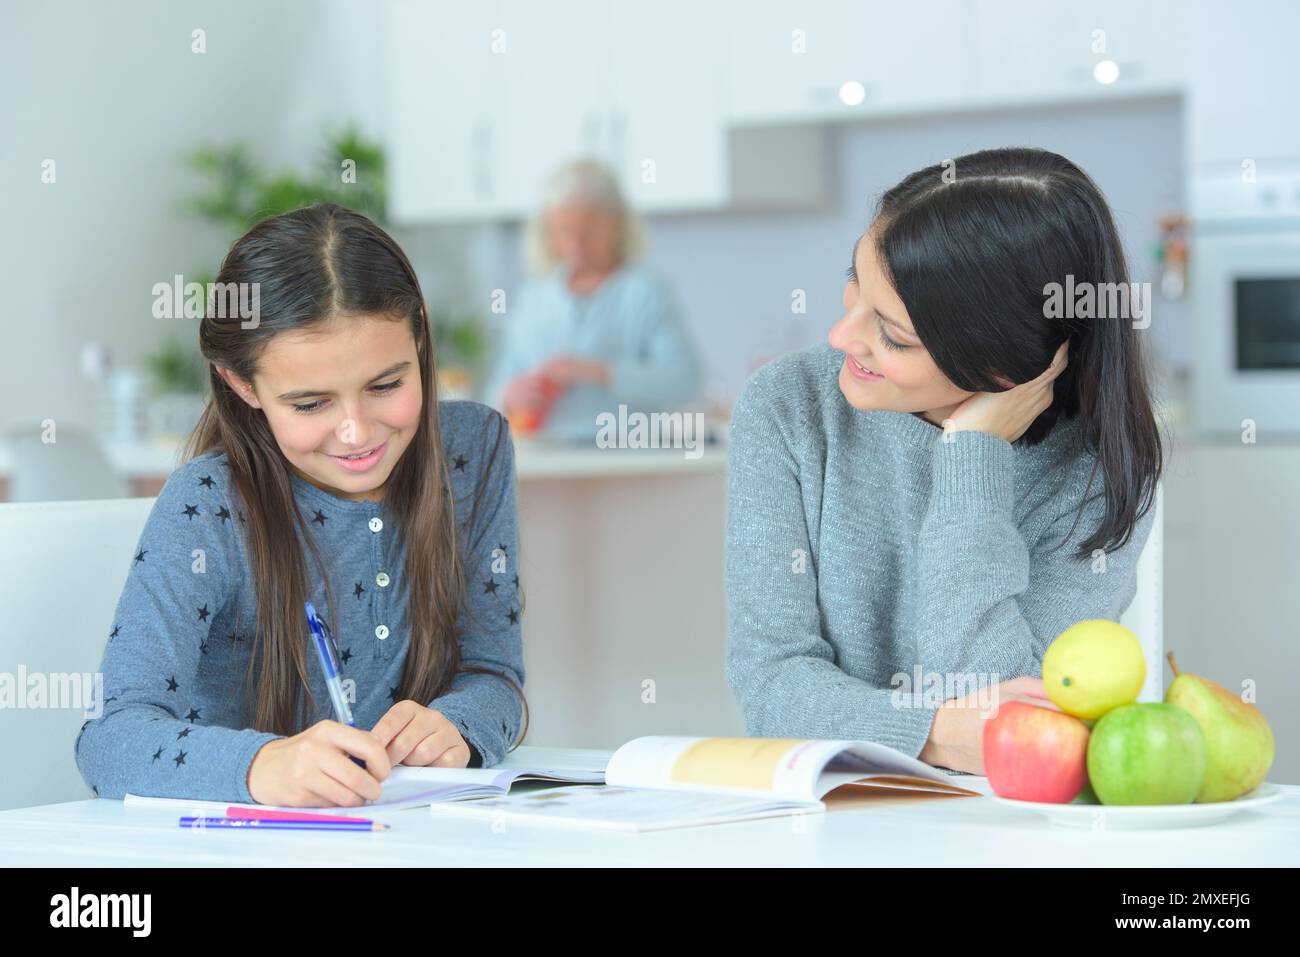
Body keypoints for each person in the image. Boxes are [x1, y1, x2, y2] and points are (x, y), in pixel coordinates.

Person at [725, 147, 1164, 775]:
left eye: (893, 335)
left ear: (1001, 370)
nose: (842, 337)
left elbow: (1014, 728)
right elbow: (770, 683)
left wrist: (973, 458)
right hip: (824, 811)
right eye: (854, 283)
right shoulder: (789, 406)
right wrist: (927, 730)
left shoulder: (1100, 470)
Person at [75, 203, 526, 806]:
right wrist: (263, 765)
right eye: (310, 404)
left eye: (386, 385)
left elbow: (495, 675)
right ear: (241, 383)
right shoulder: (209, 504)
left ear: (419, 333)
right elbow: (109, 740)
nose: (356, 432)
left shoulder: (473, 451)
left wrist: (460, 726)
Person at [486, 159, 702, 440]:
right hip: (543, 459)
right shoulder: (534, 297)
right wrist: (508, 393)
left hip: (624, 455)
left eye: (587, 231)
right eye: (564, 231)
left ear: (615, 225)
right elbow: (494, 391)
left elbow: (685, 381)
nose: (576, 245)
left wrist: (597, 371)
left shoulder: (644, 292)